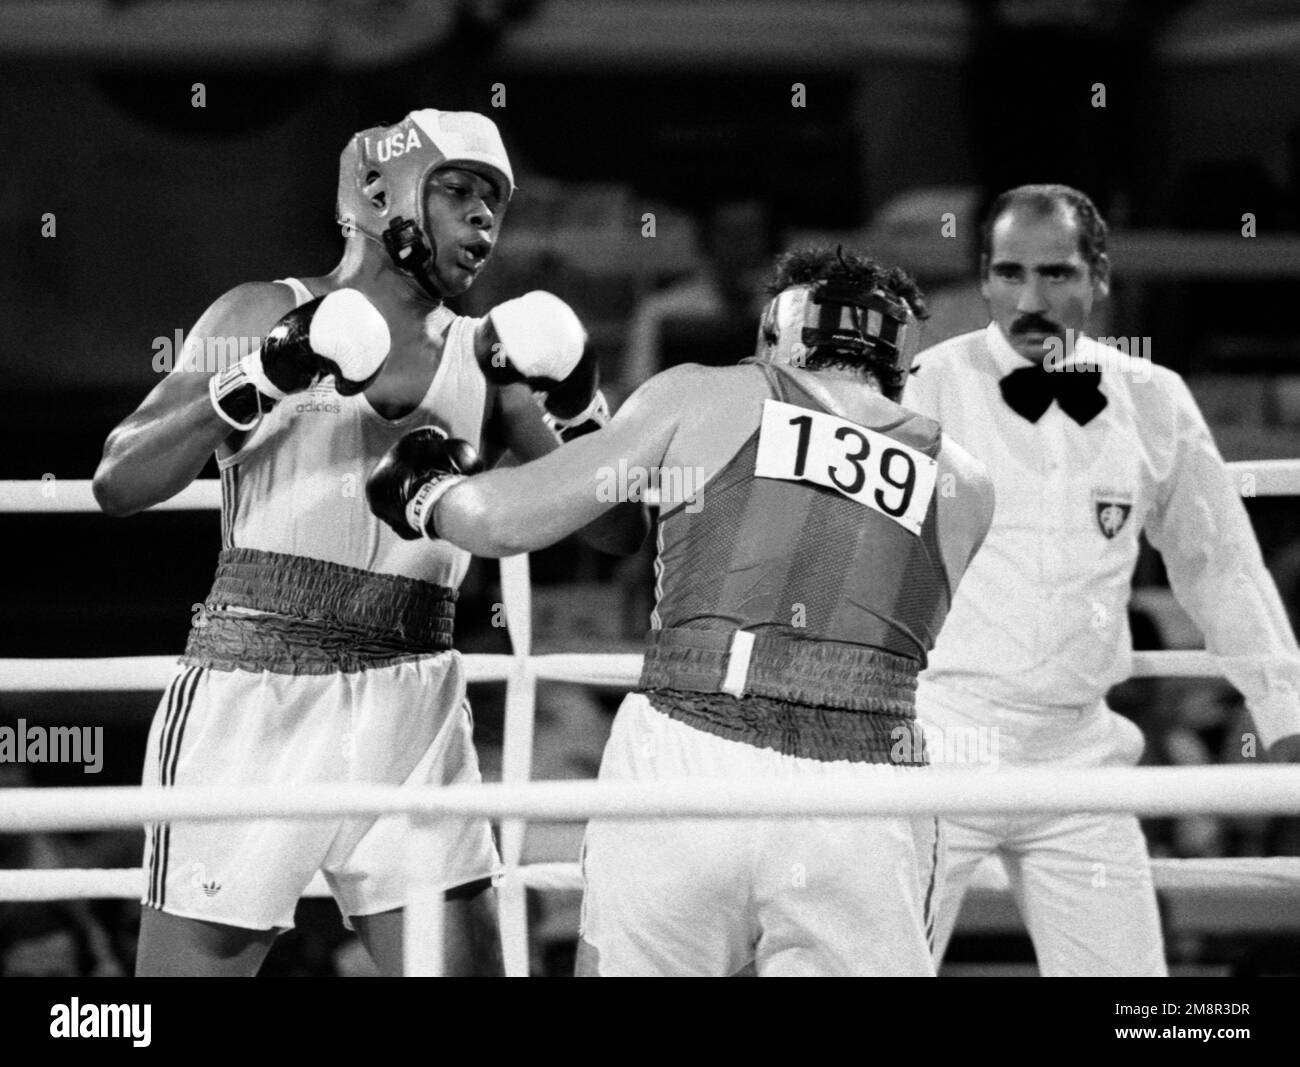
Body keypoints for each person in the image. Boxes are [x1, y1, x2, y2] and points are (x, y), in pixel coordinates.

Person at [93, 108, 645, 977]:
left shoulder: (486, 358)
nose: (483, 221)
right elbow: (119, 480)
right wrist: (260, 375)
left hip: (414, 703)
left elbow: (617, 526)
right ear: (382, 193)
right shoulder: (266, 308)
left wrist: (580, 400)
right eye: (458, 191)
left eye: (494, 203)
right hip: (255, 697)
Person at [368, 246, 996, 976]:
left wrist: (430, 491)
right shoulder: (967, 481)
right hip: (864, 794)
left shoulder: (706, 393)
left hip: (689, 763)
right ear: (903, 365)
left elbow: (504, 523)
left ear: (775, 338)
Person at [903, 182, 1300, 977]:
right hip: (941, 738)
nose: (1031, 298)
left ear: (1100, 276)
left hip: (1080, 752)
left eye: (1055, 273)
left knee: (1134, 1004)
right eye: (1010, 273)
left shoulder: (1153, 399)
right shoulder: (924, 387)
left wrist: (1284, 713)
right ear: (983, 278)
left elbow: (1219, 563)